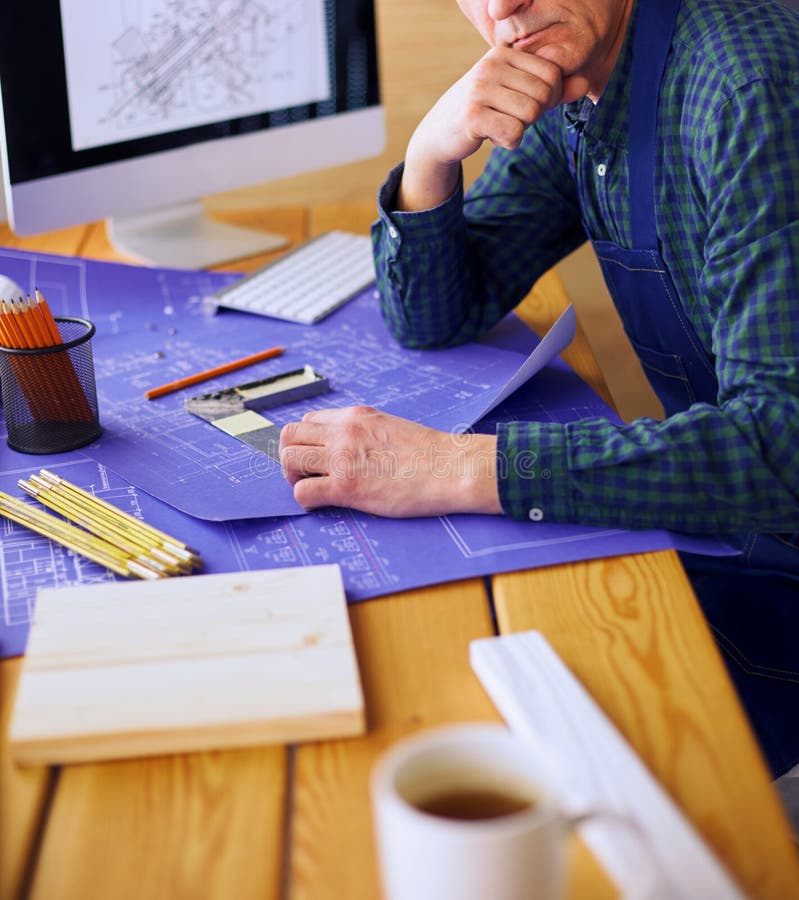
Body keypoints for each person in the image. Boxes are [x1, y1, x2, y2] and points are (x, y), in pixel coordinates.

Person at [279, 0, 799, 781]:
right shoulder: (578, 73)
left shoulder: (748, 87)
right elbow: (441, 311)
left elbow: (781, 449)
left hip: (775, 560)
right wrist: (430, 154)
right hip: (737, 528)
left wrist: (454, 468)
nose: (500, 7)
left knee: (476, 740)